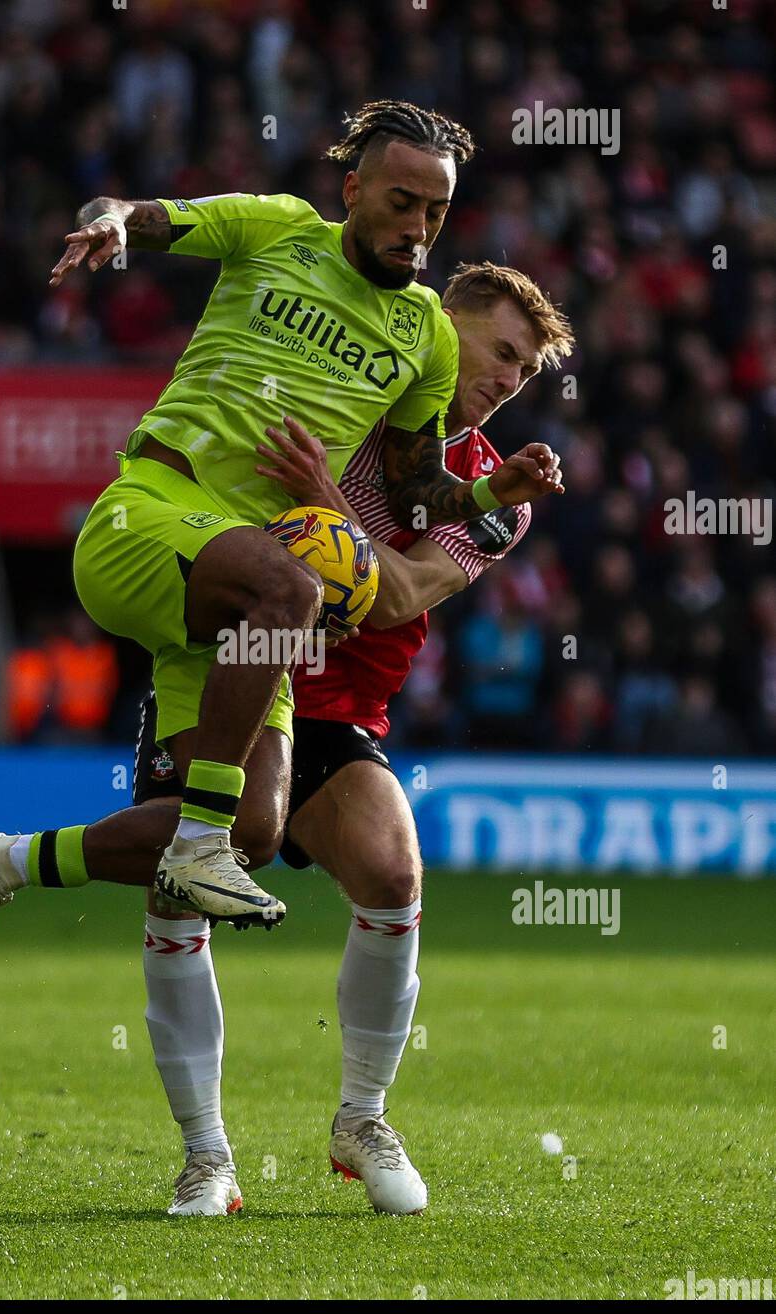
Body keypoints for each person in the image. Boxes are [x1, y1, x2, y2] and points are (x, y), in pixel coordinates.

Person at [0, 99, 558, 982]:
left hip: (241, 595)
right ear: (353, 190)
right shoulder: (279, 230)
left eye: (435, 212)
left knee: (252, 833)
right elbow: (142, 217)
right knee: (295, 592)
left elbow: (422, 491)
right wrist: (107, 222)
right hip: (151, 512)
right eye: (400, 201)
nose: (417, 227)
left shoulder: (425, 337)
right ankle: (194, 849)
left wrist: (498, 489)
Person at [133, 262, 575, 1215]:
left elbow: (404, 596)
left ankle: (362, 1118)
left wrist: (329, 499)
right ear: (438, 322)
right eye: (498, 352)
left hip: (338, 713)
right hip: (232, 671)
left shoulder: (495, 496)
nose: (506, 381)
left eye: (524, 375)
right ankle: (206, 1157)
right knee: (181, 896)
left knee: (394, 876)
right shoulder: (345, 397)